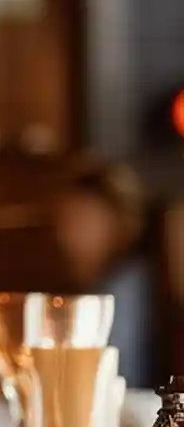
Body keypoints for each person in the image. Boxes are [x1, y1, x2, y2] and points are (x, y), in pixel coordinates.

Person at [52, 160, 162, 389]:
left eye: (83, 220)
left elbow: (114, 380)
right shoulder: (103, 286)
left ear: (121, 223)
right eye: (66, 220)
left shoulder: (123, 291)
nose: (69, 235)